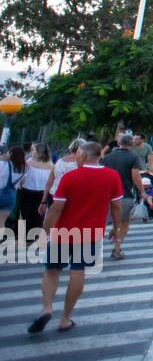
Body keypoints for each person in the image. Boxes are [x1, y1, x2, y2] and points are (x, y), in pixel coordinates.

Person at [28, 141, 124, 334]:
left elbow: (56, 209)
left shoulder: (70, 177)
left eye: (79, 154)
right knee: (78, 272)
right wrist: (117, 228)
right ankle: (65, 319)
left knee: (52, 270)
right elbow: (116, 206)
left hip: (64, 232)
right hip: (91, 234)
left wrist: (44, 232)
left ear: (84, 155)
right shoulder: (112, 176)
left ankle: (47, 308)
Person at [102, 131, 146, 261]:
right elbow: (136, 176)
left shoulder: (107, 157)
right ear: (131, 143)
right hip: (124, 194)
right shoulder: (133, 158)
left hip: (106, 196)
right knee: (124, 223)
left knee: (102, 223)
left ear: (119, 143)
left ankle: (92, 250)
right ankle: (117, 249)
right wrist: (142, 192)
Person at [18, 143, 53, 238]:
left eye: (33, 150)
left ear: (39, 152)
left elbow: (22, 178)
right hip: (42, 192)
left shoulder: (28, 163)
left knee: (26, 214)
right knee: (39, 215)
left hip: (27, 191)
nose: (31, 152)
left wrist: (20, 186)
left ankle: (26, 236)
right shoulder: (51, 165)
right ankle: (35, 236)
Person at [0, 145, 25, 233]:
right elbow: (22, 182)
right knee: (2, 221)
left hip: (1, 192)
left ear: (10, 153)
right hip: (11, 196)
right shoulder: (23, 168)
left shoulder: (3, 164)